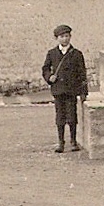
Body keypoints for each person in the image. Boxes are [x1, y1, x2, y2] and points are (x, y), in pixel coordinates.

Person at [41, 25, 87, 153]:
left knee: (72, 116)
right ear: (57, 38)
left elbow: (82, 73)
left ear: (70, 37)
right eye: (62, 37)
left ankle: (73, 141)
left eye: (67, 36)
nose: (65, 39)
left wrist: (83, 92)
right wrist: (49, 77)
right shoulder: (52, 53)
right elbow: (45, 69)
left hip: (71, 90)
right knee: (60, 116)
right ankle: (61, 142)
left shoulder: (77, 54)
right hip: (58, 89)